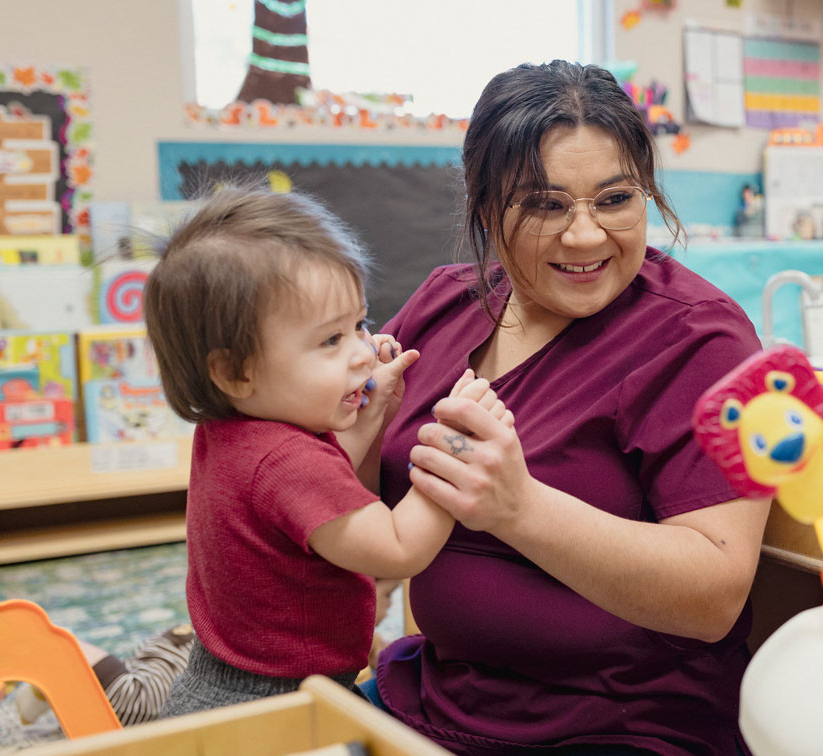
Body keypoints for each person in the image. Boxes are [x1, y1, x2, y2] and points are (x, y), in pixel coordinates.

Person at [363, 61, 768, 755]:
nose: (585, 237)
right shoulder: (444, 303)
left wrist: (519, 508)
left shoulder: (699, 338)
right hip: (433, 697)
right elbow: (357, 487)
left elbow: (714, 596)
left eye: (614, 200)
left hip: (621, 728)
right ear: (486, 206)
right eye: (546, 205)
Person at [142, 187, 512, 715]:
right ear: (234, 371)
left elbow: (325, 481)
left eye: (358, 325)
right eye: (330, 341)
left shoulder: (236, 431)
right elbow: (399, 547)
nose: (363, 351)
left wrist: (374, 409)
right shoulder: (286, 461)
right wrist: (454, 450)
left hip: (225, 680)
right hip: (275, 708)